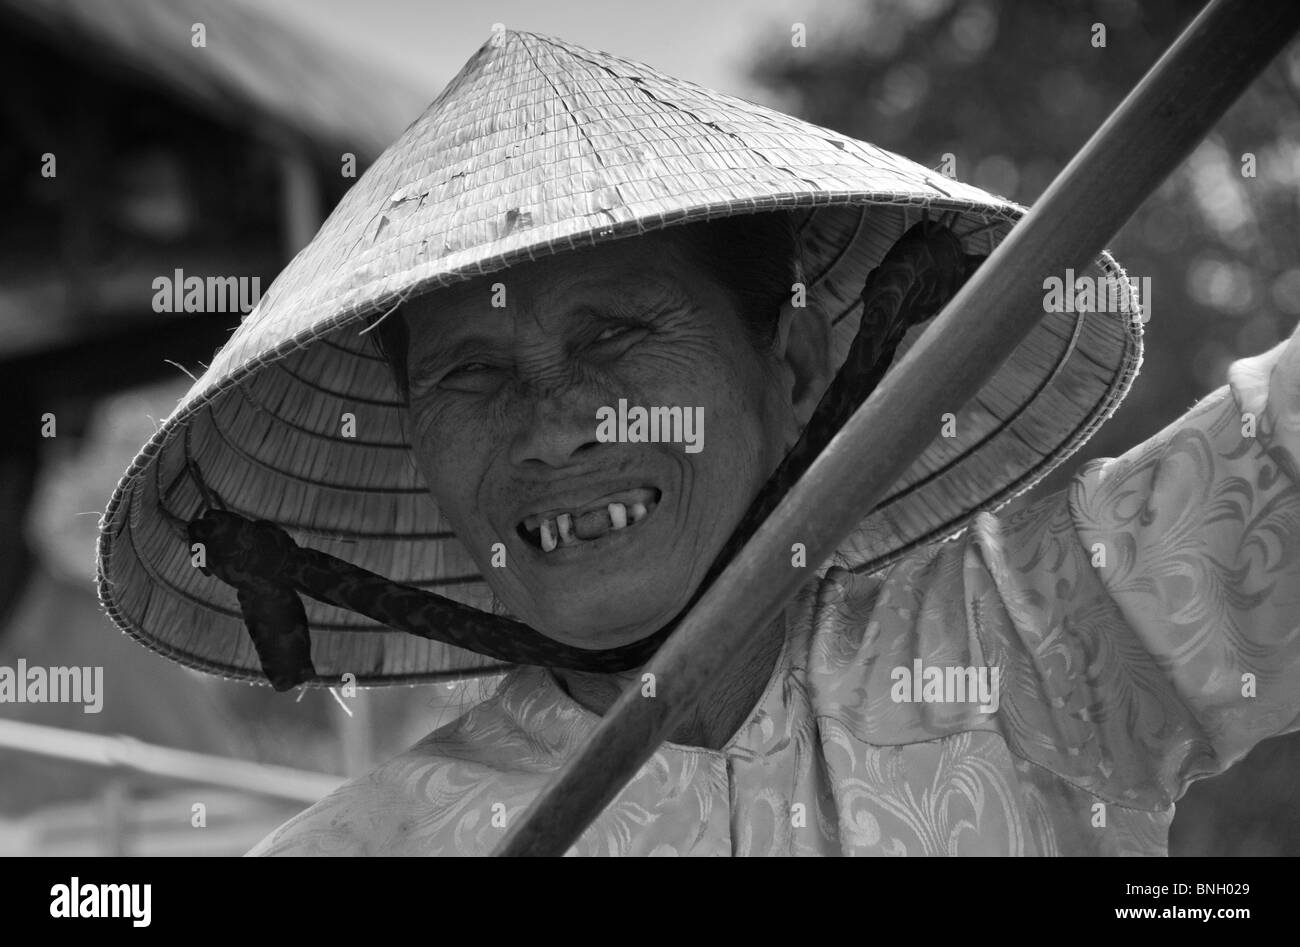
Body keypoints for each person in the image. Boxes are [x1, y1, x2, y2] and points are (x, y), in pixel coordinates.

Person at [97, 30, 1300, 856]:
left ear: (791, 371)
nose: (558, 420)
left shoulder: (1043, 631)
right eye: (472, 375)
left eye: (617, 333)